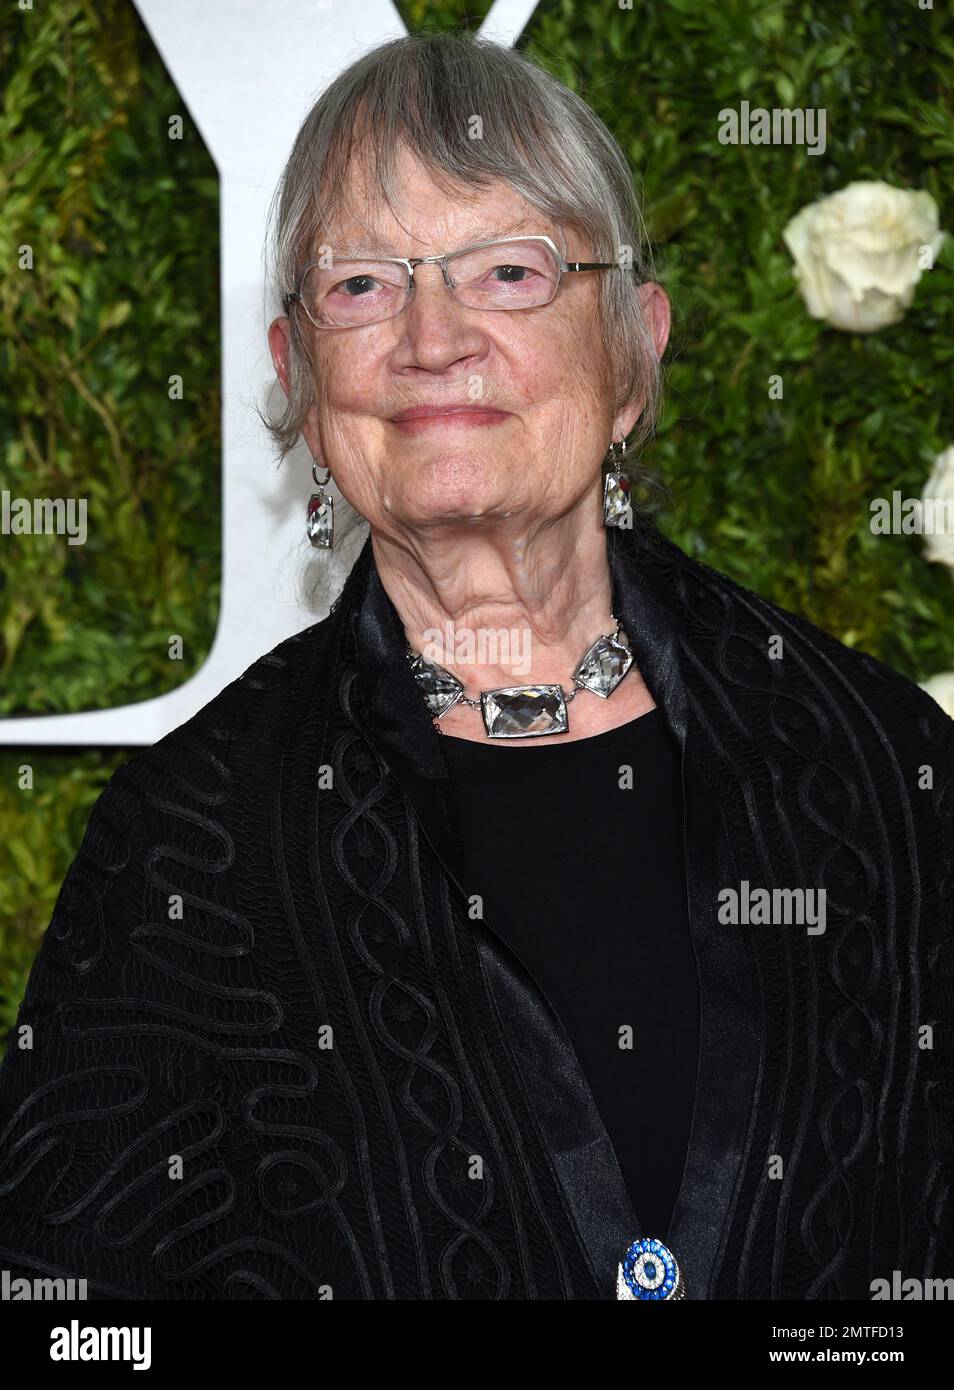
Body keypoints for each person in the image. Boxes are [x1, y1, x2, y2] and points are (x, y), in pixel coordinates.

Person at [0, 32, 951, 1302]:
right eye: (361, 287)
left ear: (632, 351)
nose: (433, 337)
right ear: (298, 373)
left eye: (508, 271)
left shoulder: (879, 766)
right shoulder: (188, 839)